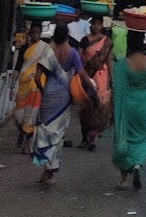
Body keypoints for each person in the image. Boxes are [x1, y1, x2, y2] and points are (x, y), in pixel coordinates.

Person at [31, 21, 96, 188]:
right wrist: (93, 91)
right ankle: (50, 173)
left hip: (49, 95)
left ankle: (46, 169)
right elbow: (82, 75)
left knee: (45, 130)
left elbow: (37, 78)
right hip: (64, 97)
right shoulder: (72, 53)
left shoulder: (48, 51)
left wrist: (43, 90)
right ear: (67, 36)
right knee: (57, 135)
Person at [112, 31, 146, 192]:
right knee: (142, 138)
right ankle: (137, 164)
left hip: (127, 105)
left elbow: (115, 86)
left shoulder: (122, 65)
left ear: (128, 45)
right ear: (142, 44)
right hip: (143, 104)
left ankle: (123, 180)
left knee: (124, 138)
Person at [76, 15, 113, 151]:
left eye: (98, 24)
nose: (95, 27)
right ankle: (84, 136)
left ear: (101, 26)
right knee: (85, 108)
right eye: (93, 24)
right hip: (86, 76)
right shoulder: (85, 40)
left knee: (98, 107)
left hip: (101, 77)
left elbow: (108, 60)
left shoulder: (106, 42)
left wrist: (112, 78)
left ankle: (92, 137)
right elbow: (78, 58)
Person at [13, 21, 47, 154]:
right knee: (18, 114)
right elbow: (18, 67)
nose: (35, 35)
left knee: (32, 115)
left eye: (38, 33)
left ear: (41, 33)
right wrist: (12, 84)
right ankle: (22, 131)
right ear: (30, 34)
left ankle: (27, 143)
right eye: (33, 33)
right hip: (23, 85)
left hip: (36, 86)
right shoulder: (24, 48)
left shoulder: (44, 49)